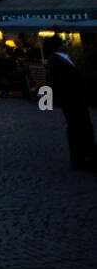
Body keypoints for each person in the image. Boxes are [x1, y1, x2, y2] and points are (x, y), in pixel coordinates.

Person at [45, 40, 97, 171]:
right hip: (72, 99)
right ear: (58, 46)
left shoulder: (62, 59)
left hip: (76, 99)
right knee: (77, 127)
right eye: (62, 43)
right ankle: (81, 158)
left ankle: (86, 155)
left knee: (82, 126)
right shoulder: (56, 61)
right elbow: (62, 82)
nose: (65, 44)